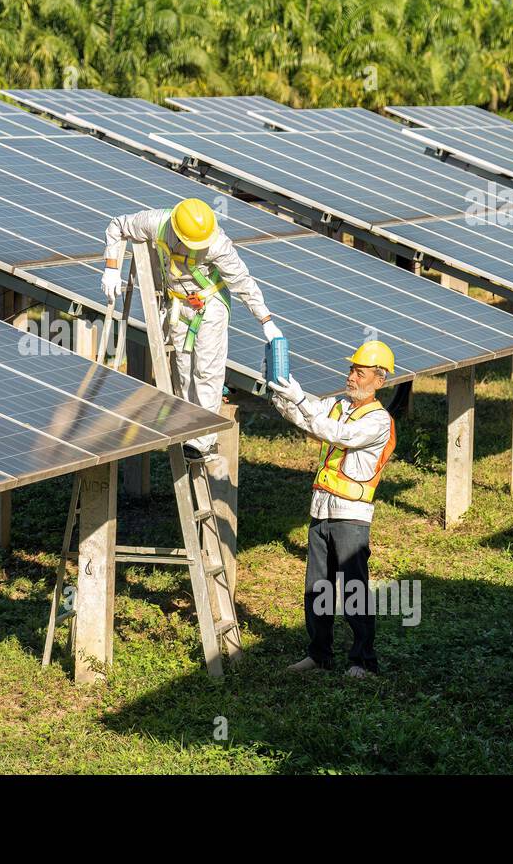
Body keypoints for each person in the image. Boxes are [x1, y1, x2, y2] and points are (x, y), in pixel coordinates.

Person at [101, 197, 281, 457]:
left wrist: (266, 320)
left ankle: (205, 437)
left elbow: (242, 281)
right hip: (178, 305)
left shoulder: (217, 242)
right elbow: (117, 226)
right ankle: (190, 426)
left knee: (206, 369)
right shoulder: (157, 223)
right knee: (184, 368)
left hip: (210, 304)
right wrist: (111, 268)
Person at [267, 341, 397, 677]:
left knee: (353, 588)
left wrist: (298, 400)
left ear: (378, 381)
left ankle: (362, 661)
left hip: (351, 515)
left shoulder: (378, 420)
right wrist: (282, 396)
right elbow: (311, 415)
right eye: (352, 369)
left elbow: (339, 435)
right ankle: (319, 655)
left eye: (360, 372)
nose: (351, 376)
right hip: (322, 510)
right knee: (318, 588)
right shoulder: (339, 404)